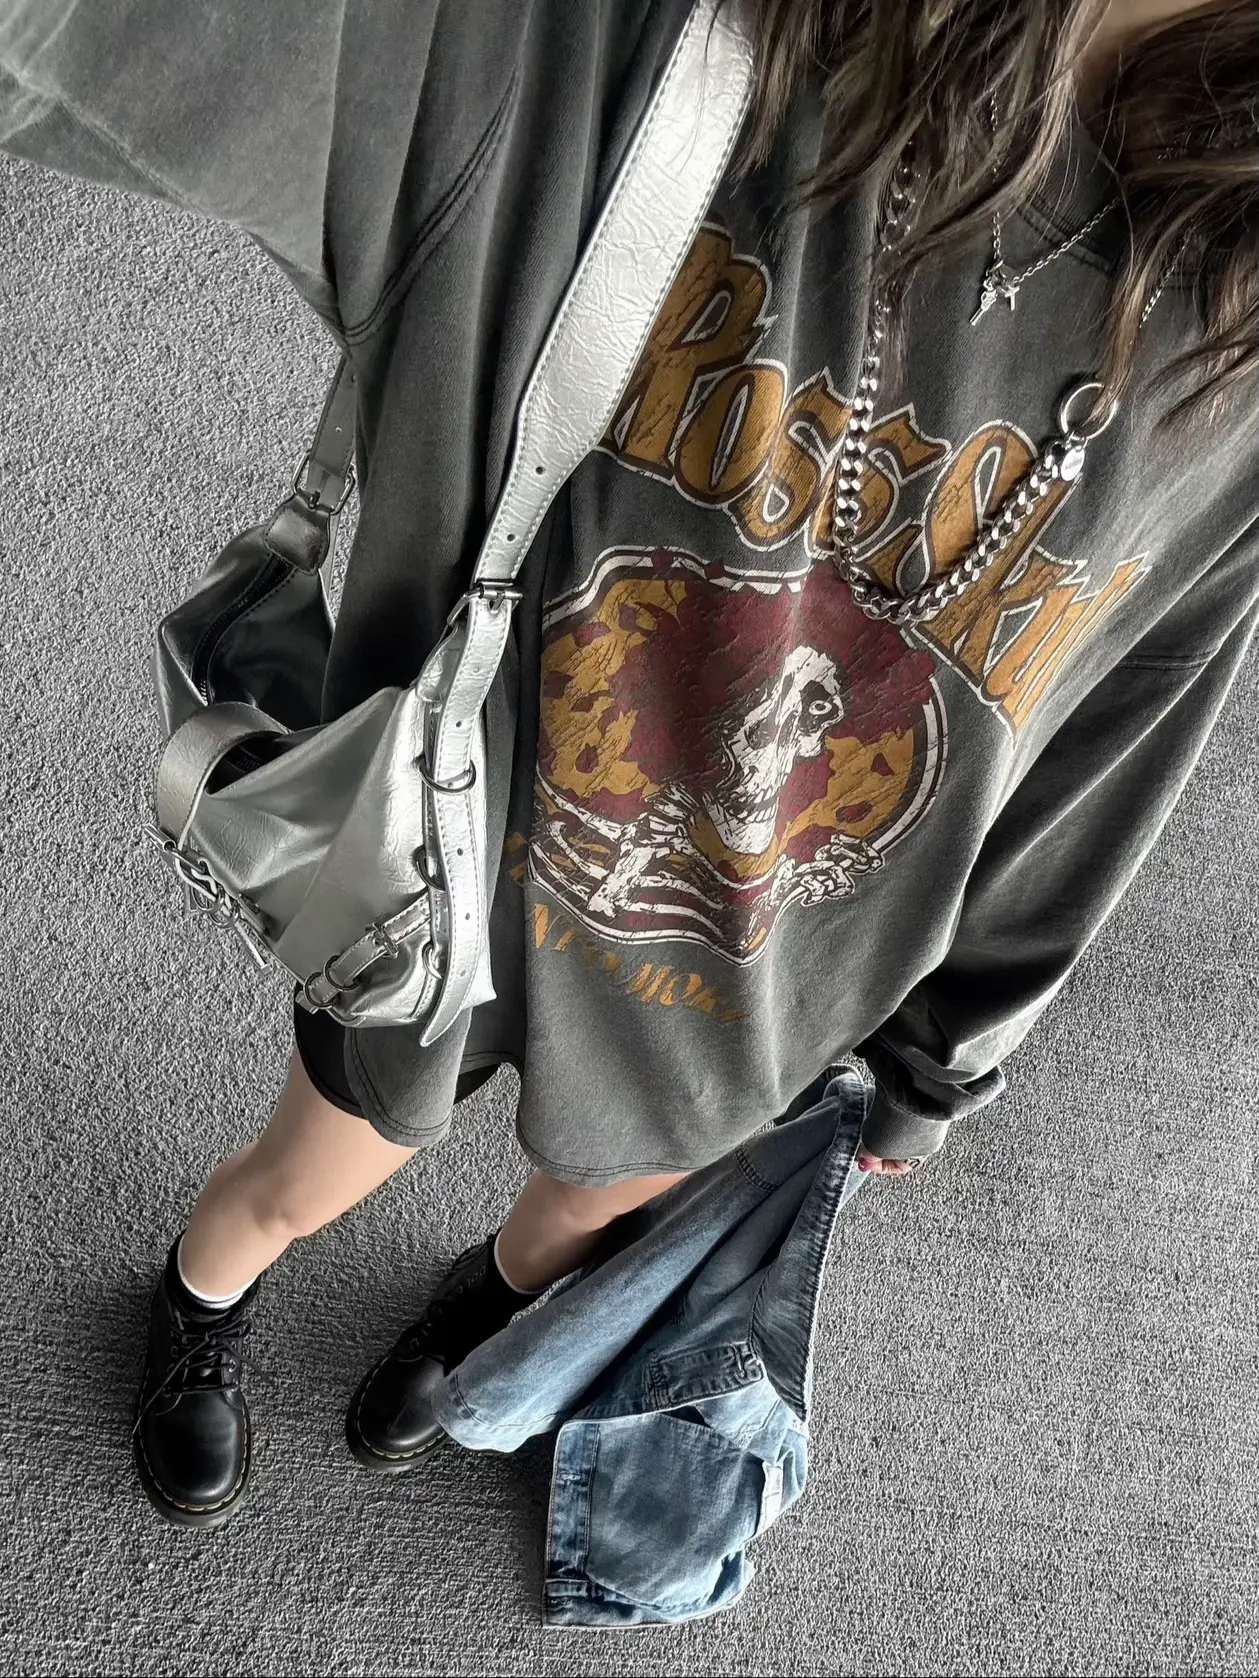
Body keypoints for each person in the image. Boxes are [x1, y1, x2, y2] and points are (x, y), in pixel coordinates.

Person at [1, 0, 1254, 1531]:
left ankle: (474, 1315)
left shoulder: (1236, 344)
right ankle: (205, 1293)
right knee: (318, 1154)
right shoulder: (715, 43)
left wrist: (938, 1060)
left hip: (778, 959)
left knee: (584, 1215)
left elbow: (1123, 720)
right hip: (460, 840)